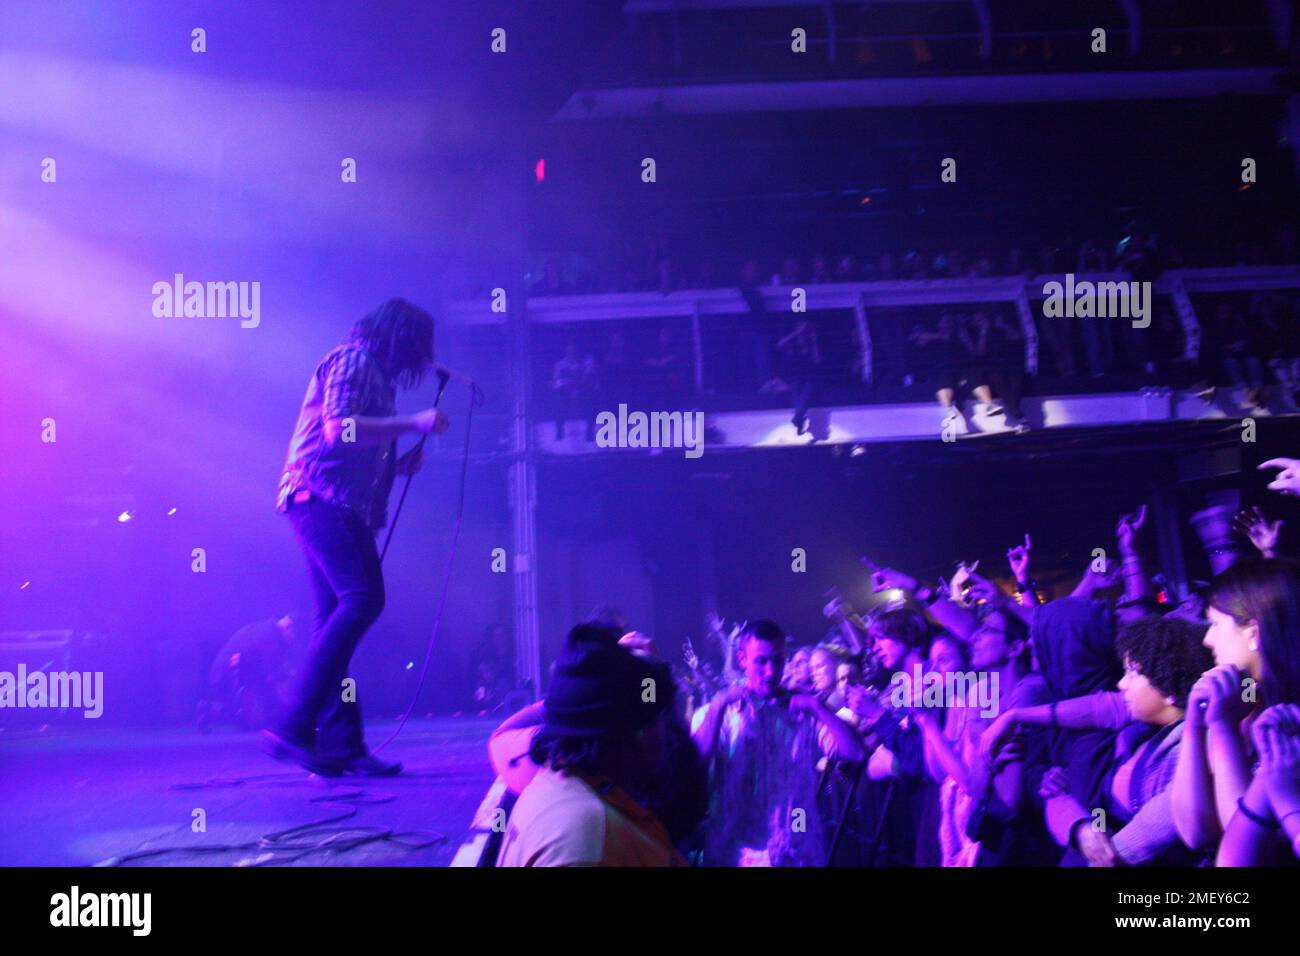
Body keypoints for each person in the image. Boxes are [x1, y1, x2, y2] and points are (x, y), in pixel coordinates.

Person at [263, 298, 450, 777]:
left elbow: (358, 443)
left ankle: (341, 743)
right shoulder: (354, 359)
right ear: (400, 338)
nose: (421, 360)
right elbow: (338, 429)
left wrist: (397, 463)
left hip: (324, 501)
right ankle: (292, 721)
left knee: (335, 622)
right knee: (363, 600)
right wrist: (413, 423)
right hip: (320, 498)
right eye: (418, 347)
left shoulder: (375, 377)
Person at [983, 615, 1214, 866]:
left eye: (1133, 673)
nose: (1121, 683)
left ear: (1169, 687)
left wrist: (1068, 811)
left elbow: (1108, 856)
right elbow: (1101, 708)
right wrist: (1078, 821)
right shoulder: (1144, 727)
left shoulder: (1187, 758)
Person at [497, 624, 686, 866]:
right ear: (640, 734)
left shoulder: (554, 783)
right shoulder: (590, 844)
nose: (667, 733)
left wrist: (579, 691)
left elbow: (502, 735)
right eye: (661, 717)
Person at [692, 620, 865, 866]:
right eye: (761, 661)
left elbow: (855, 753)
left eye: (777, 661)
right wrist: (719, 706)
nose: (771, 671)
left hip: (795, 851)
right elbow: (696, 759)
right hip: (735, 852)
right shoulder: (722, 711)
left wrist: (818, 707)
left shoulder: (803, 711)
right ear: (742, 659)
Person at [1171, 558, 1300, 851]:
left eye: (1215, 624)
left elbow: (1241, 840)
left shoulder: (1287, 720)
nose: (1207, 639)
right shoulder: (1246, 702)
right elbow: (1195, 832)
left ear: (1253, 633)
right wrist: (1193, 723)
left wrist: (1221, 727)